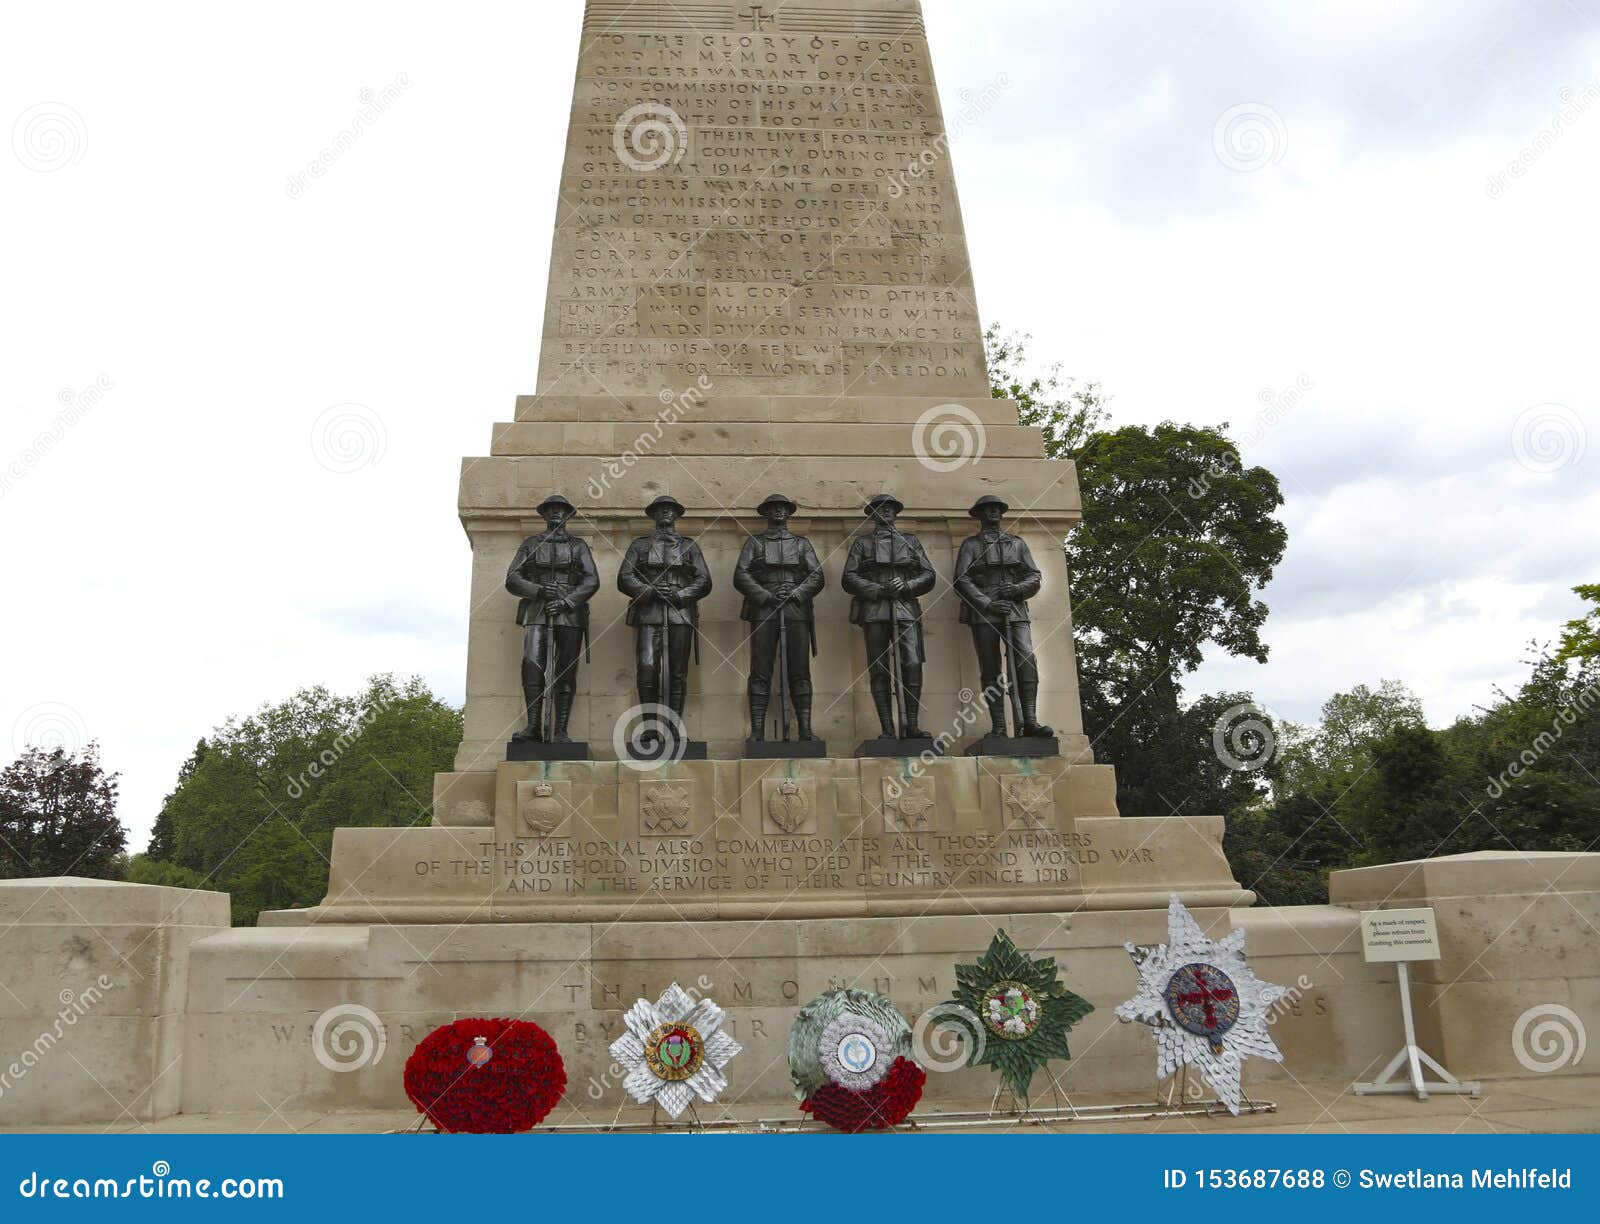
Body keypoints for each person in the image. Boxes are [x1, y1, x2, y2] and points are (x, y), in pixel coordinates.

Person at [953, 494, 1054, 739]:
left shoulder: (1017, 543)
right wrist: (988, 603)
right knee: (990, 667)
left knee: (1026, 658)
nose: (994, 513)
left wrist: (1018, 589)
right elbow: (961, 579)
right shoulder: (970, 545)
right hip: (984, 611)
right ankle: (999, 725)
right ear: (979, 514)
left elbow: (1033, 575)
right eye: (988, 509)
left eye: (997, 509)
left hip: (1015, 608)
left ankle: (1029, 720)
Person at [504, 494, 598, 742]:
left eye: (561, 510)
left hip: (570, 613)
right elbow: (512, 578)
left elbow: (591, 580)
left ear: (568, 515)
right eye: (551, 509)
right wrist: (538, 590)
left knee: (566, 671)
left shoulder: (578, 546)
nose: (556, 513)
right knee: (532, 667)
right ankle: (534, 726)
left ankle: (560, 730)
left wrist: (567, 601)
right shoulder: (530, 543)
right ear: (544, 514)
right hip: (537, 610)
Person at [841, 493, 936, 739]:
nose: (886, 512)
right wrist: (877, 589)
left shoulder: (910, 541)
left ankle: (911, 726)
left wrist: (906, 585)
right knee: (879, 668)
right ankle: (887, 729)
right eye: (881, 509)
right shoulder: (862, 543)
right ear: (872, 514)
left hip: (905, 608)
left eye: (890, 509)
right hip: (875, 610)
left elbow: (928, 575)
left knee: (912, 664)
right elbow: (848, 577)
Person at [733, 493, 825, 741]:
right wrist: (766, 596)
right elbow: (741, 575)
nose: (778, 511)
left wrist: (796, 593)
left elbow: (816, 576)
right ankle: (757, 731)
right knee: (760, 669)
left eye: (782, 508)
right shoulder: (754, 543)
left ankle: (805, 730)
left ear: (789, 513)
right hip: (764, 608)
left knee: (800, 669)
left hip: (796, 609)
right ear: (765, 513)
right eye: (773, 508)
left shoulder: (802, 544)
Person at [617, 495, 712, 726]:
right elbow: (624, 578)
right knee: (647, 669)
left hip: (680, 613)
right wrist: (650, 591)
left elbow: (704, 580)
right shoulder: (639, 545)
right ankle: (650, 726)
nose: (666, 513)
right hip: (649, 612)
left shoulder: (689, 546)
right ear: (653, 515)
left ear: (677, 514)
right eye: (661, 510)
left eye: (670, 510)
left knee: (678, 672)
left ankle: (674, 726)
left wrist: (680, 595)